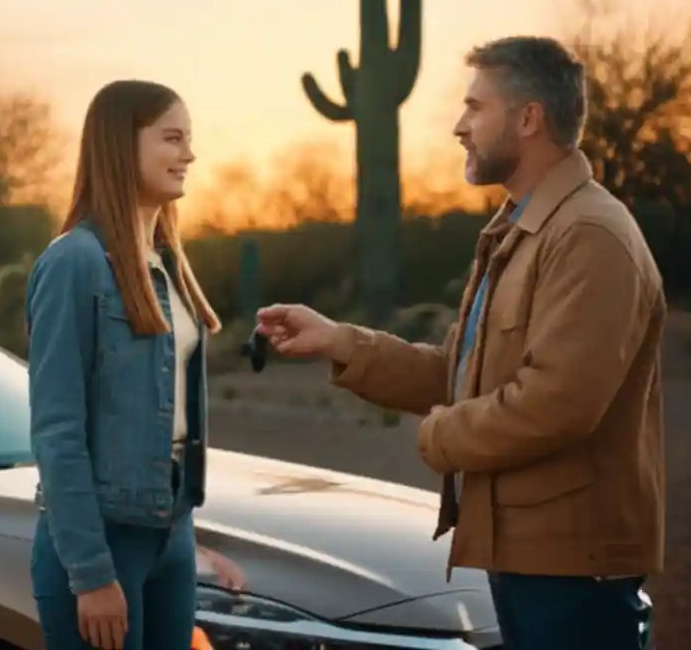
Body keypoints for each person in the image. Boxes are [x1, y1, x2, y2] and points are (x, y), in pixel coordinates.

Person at [255, 36, 665, 650]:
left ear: (529, 118)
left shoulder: (589, 236)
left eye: (475, 107)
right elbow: (459, 373)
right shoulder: (519, 230)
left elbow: (558, 402)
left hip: (573, 570)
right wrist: (340, 342)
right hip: (530, 559)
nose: (458, 126)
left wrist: (440, 436)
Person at [24, 79, 228, 650]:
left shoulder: (167, 265)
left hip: (171, 534)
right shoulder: (74, 263)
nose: (189, 154)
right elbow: (58, 431)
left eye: (189, 139)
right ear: (121, 144)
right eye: (172, 138)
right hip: (102, 541)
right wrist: (91, 573)